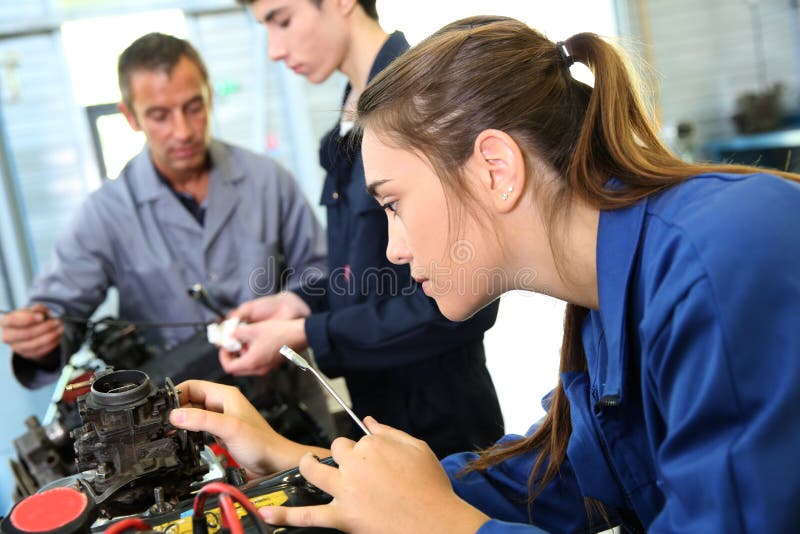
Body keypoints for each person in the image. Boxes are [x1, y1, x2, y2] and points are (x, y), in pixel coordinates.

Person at [168, 15, 800, 533]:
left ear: (495, 169)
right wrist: (297, 464)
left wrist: (448, 528)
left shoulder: (721, 257)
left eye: (393, 204)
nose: (391, 250)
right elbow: (555, 476)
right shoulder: (606, 310)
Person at [0, 32, 333, 437]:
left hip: (289, 407)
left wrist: (289, 311)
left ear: (209, 95)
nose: (183, 131)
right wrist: (40, 338)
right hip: (179, 429)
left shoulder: (268, 182)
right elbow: (58, 314)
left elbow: (321, 274)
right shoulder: (105, 213)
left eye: (194, 107)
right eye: (160, 115)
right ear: (130, 116)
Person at [224, 0, 504, 457]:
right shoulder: (348, 121)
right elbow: (360, 267)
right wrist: (298, 302)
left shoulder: (422, 102)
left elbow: (460, 301)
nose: (274, 49)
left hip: (445, 426)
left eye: (282, 20)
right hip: (380, 415)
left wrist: (307, 334)